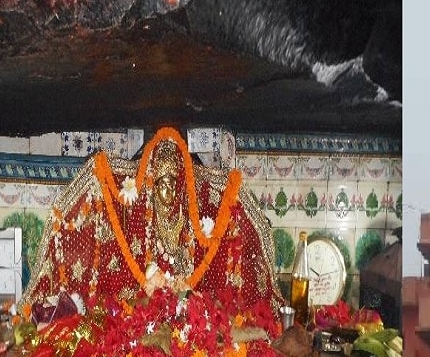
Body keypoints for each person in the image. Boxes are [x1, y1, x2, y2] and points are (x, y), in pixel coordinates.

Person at [21, 128, 284, 321]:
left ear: (182, 186)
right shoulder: (137, 211)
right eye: (161, 184)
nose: (167, 192)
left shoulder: (193, 212)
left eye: (172, 184)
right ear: (151, 185)